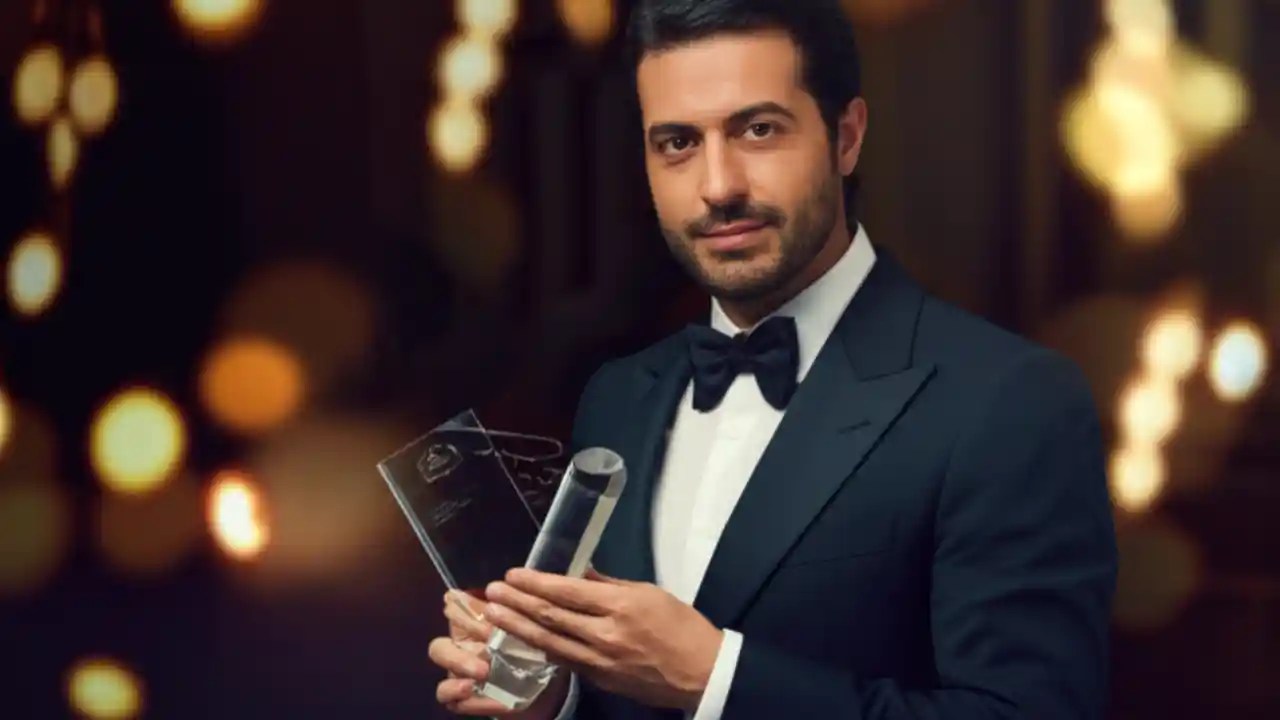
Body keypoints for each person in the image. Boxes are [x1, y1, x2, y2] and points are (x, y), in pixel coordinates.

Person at [428, 0, 1118, 718]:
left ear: (846, 137)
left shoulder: (1011, 402)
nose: (718, 186)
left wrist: (714, 679)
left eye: (758, 130)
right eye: (677, 143)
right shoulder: (619, 396)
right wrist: (552, 700)